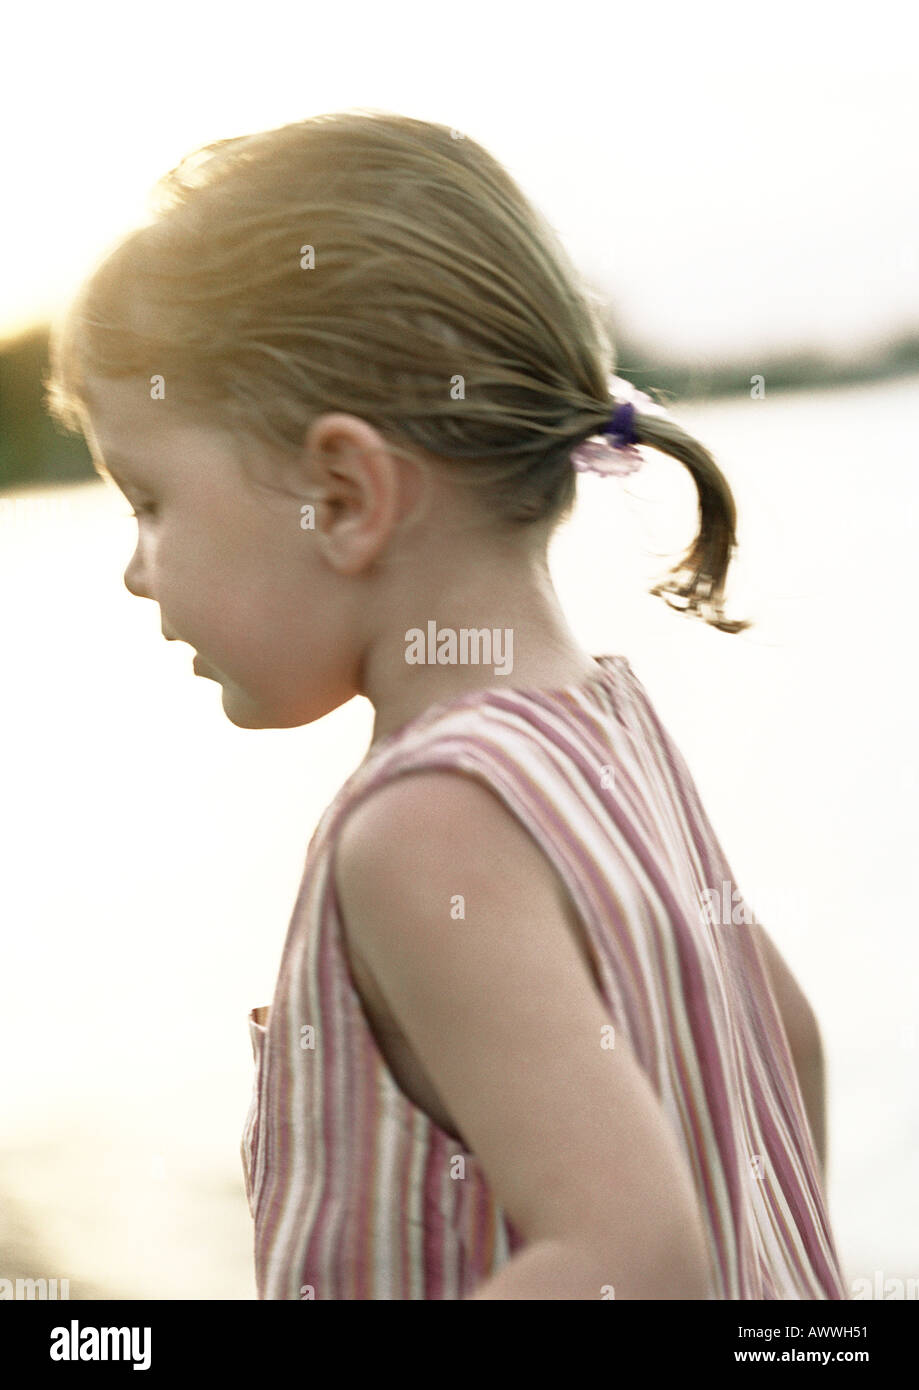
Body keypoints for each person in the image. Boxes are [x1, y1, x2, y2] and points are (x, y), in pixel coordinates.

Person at [45, 109, 847, 1300]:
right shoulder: (607, 735)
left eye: (149, 501)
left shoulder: (426, 826)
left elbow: (629, 1259)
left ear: (344, 492)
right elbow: (784, 1041)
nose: (137, 565)